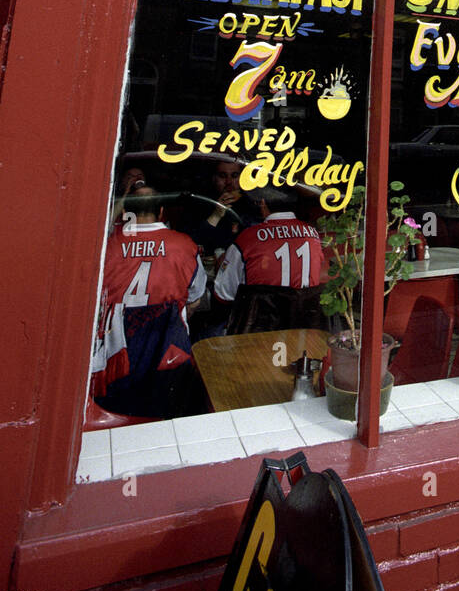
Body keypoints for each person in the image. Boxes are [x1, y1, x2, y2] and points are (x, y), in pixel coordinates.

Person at [93, 183, 207, 416]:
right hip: (168, 355)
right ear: (162, 211)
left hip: (115, 358)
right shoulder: (184, 244)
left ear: (126, 213)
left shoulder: (106, 246)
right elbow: (196, 295)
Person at [213, 186, 326, 305]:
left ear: (262, 203)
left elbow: (223, 294)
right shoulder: (313, 234)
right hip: (303, 320)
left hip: (260, 321)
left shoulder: (248, 238)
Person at [191, 157, 258, 256]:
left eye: (234, 176)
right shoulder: (201, 203)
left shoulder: (253, 204)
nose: (229, 182)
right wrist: (216, 214)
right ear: (214, 178)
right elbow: (195, 243)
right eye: (222, 176)